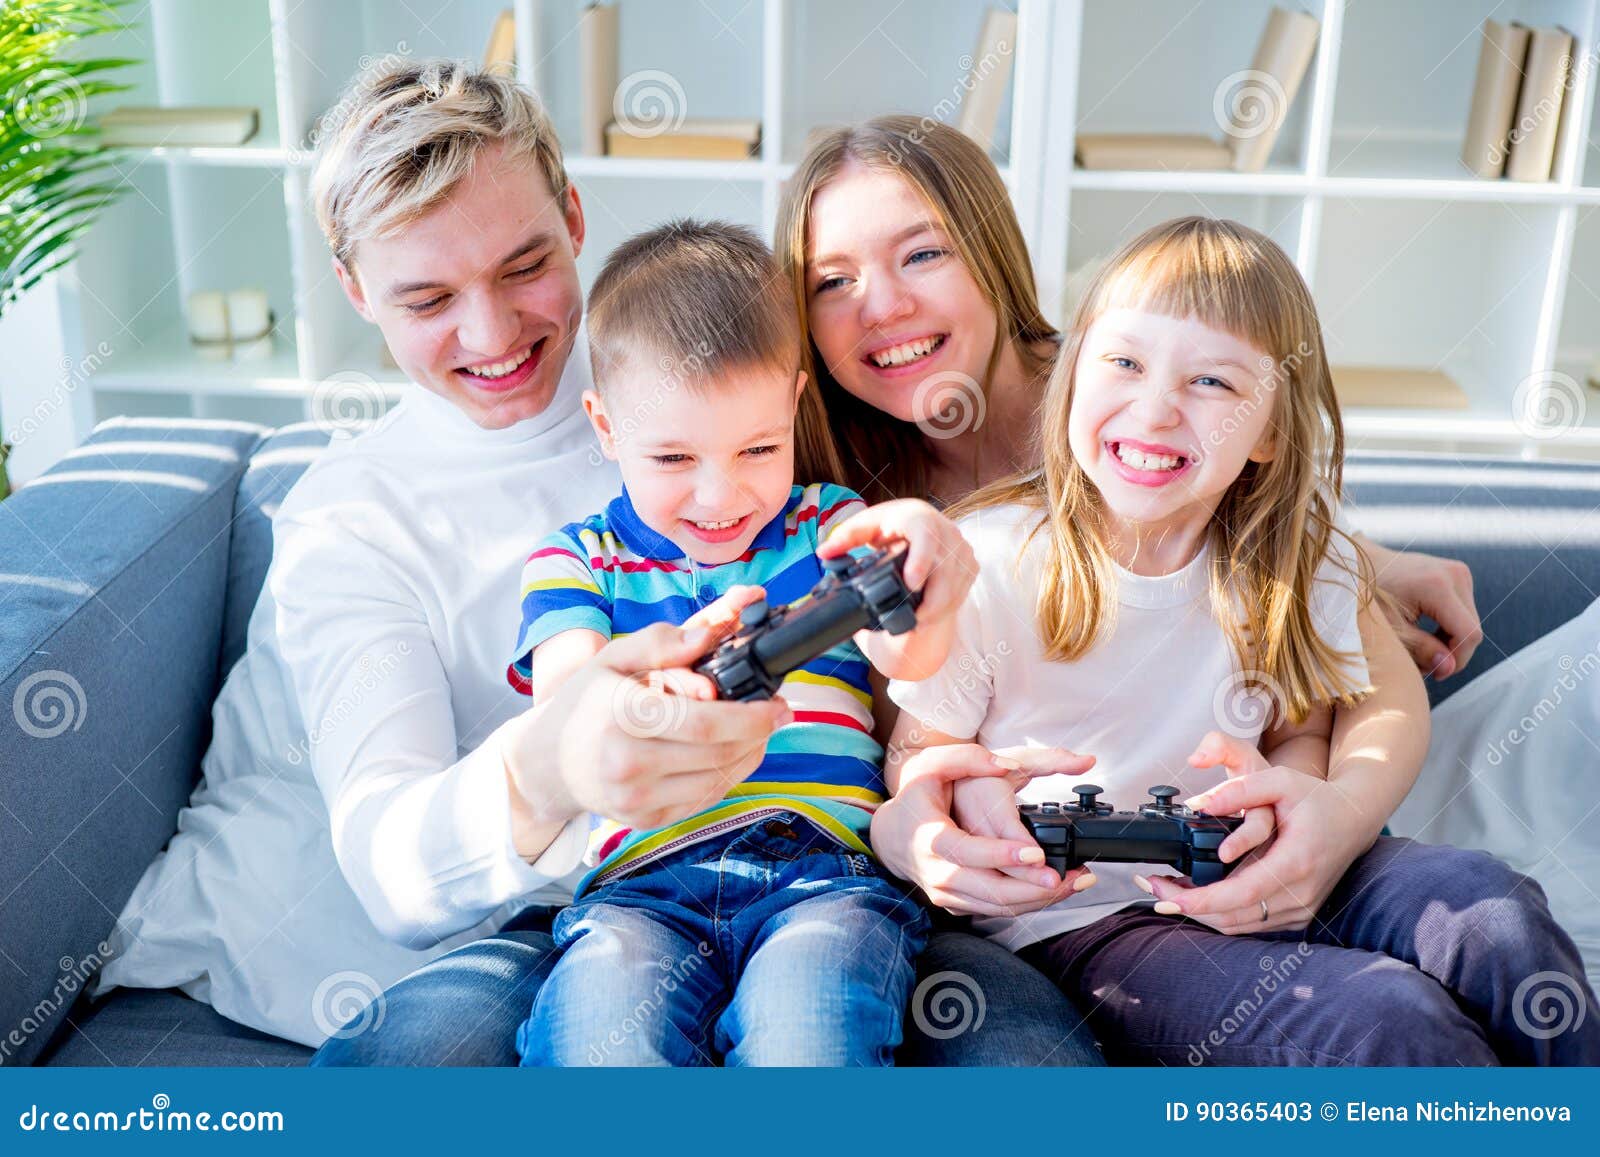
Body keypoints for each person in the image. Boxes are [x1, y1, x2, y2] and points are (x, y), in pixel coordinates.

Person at [294, 63, 1093, 1067]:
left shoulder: (743, 355)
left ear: (574, 217)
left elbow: (961, 536)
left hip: (834, 869)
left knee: (1000, 1059)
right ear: (356, 288)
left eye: (522, 266)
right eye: (427, 296)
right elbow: (392, 863)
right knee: (403, 1069)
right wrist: (561, 758)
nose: (492, 332)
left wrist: (934, 574)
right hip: (612, 891)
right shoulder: (355, 520)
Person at [883, 214, 1600, 1065]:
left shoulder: (1298, 555)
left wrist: (1294, 804)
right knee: (1383, 1022)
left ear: (1268, 433)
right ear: (1072, 380)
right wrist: (961, 803)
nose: (1155, 409)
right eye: (1123, 363)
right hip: (1091, 918)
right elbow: (920, 750)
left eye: (1213, 383)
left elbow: (1305, 725)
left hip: (1293, 868)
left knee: (1493, 913)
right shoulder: (993, 559)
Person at [778, 117, 1492, 971]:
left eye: (922, 254)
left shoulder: (1126, 382)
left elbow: (1332, 633)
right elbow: (907, 752)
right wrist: (911, 828)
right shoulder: (833, 497)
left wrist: (1340, 806)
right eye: (832, 280)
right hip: (1025, 899)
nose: (881, 305)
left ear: (994, 254)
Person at [510, 219, 978, 1065]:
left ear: (796, 404)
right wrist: (673, 677)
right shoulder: (577, 561)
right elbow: (568, 714)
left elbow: (909, 663)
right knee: (599, 1052)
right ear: (606, 427)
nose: (719, 495)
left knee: (810, 1040)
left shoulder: (833, 524)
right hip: (640, 889)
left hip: (823, 874)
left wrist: (922, 556)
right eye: (674, 456)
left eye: (759, 448)